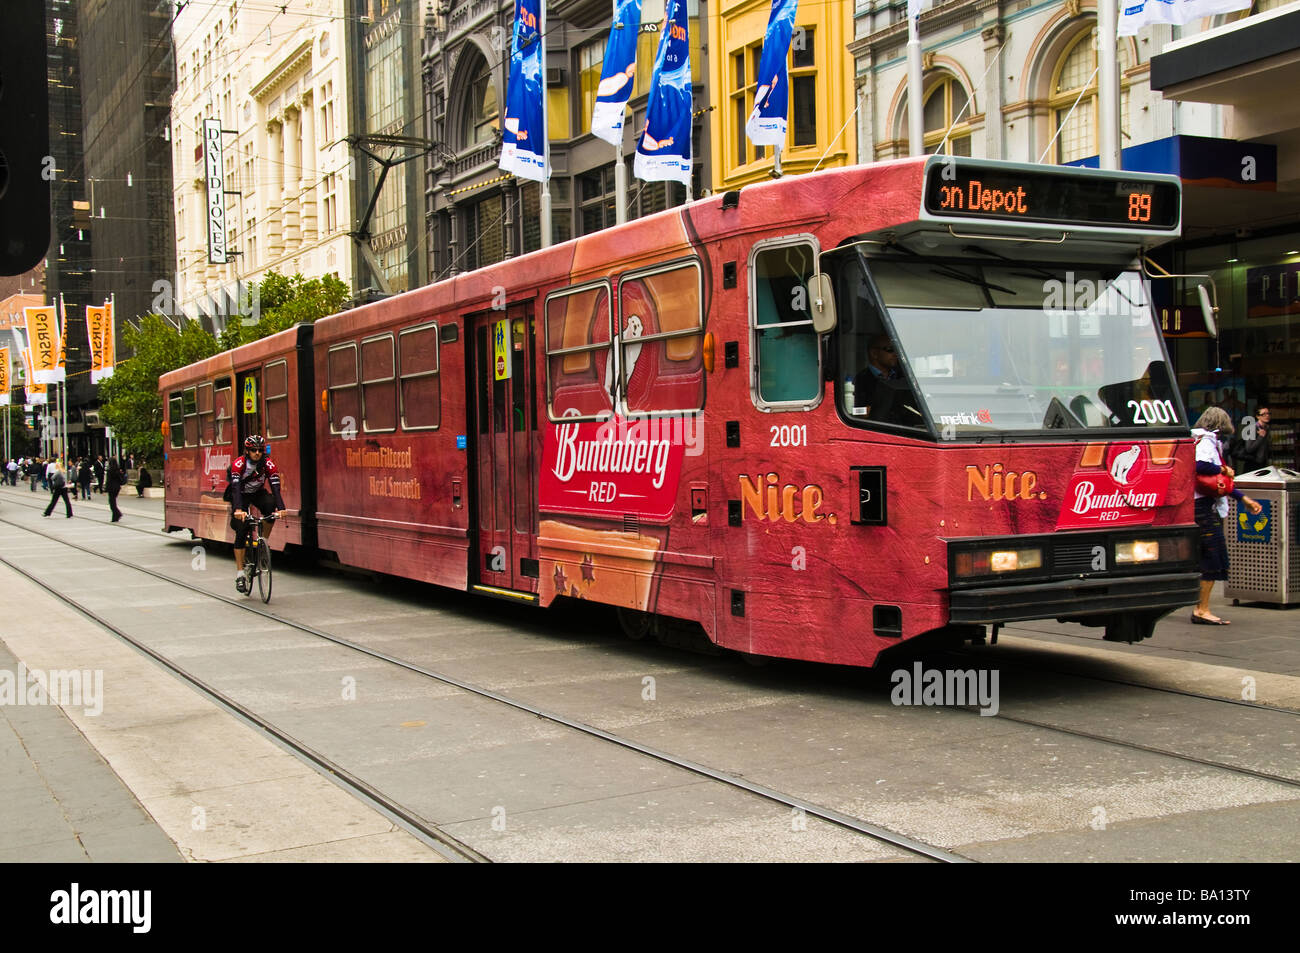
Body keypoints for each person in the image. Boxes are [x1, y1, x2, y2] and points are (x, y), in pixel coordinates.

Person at [1191, 407, 1262, 625]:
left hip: (1203, 505)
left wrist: (1243, 499)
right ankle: (1201, 610)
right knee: (1212, 556)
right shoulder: (1205, 442)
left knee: (1211, 556)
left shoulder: (1202, 440)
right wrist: (1222, 469)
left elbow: (1219, 484)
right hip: (1202, 506)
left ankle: (1201, 607)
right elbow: (1200, 466)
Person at [228, 434, 285, 593]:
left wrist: (281, 508)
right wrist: (238, 510)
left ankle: (263, 543)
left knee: (270, 505)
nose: (257, 453)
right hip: (241, 495)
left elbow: (275, 486)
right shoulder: (238, 465)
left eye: (260, 450)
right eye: (254, 450)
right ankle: (240, 574)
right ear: (247, 451)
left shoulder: (268, 464)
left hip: (258, 493)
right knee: (241, 528)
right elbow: (236, 489)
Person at [851, 333, 922, 426]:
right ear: (874, 353)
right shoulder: (861, 379)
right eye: (890, 349)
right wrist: (868, 410)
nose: (895, 354)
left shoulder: (904, 376)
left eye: (897, 350)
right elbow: (855, 411)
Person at [1231, 406, 1271, 473]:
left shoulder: (1266, 428)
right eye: (1263, 414)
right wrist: (1260, 437)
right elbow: (1249, 448)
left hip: (1262, 463)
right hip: (1253, 464)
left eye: (1268, 413)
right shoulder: (1253, 428)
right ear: (1258, 416)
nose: (1267, 416)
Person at [106, 454, 124, 522]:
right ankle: (115, 517)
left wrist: (105, 489)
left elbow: (108, 480)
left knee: (112, 503)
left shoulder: (110, 470)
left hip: (111, 487)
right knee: (113, 502)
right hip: (117, 487)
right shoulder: (117, 470)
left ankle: (117, 514)